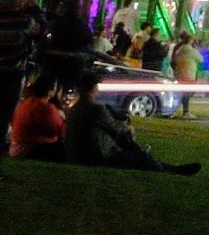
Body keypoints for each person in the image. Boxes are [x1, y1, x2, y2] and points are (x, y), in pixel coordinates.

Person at [58, 74, 199, 173]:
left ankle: (165, 166)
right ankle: (169, 169)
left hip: (76, 155)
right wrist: (128, 127)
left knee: (132, 147)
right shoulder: (96, 109)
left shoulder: (75, 108)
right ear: (94, 88)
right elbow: (117, 129)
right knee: (140, 156)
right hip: (95, 158)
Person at [11, 70, 63, 159]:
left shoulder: (26, 103)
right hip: (30, 149)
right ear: (51, 91)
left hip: (17, 147)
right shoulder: (44, 107)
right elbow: (61, 130)